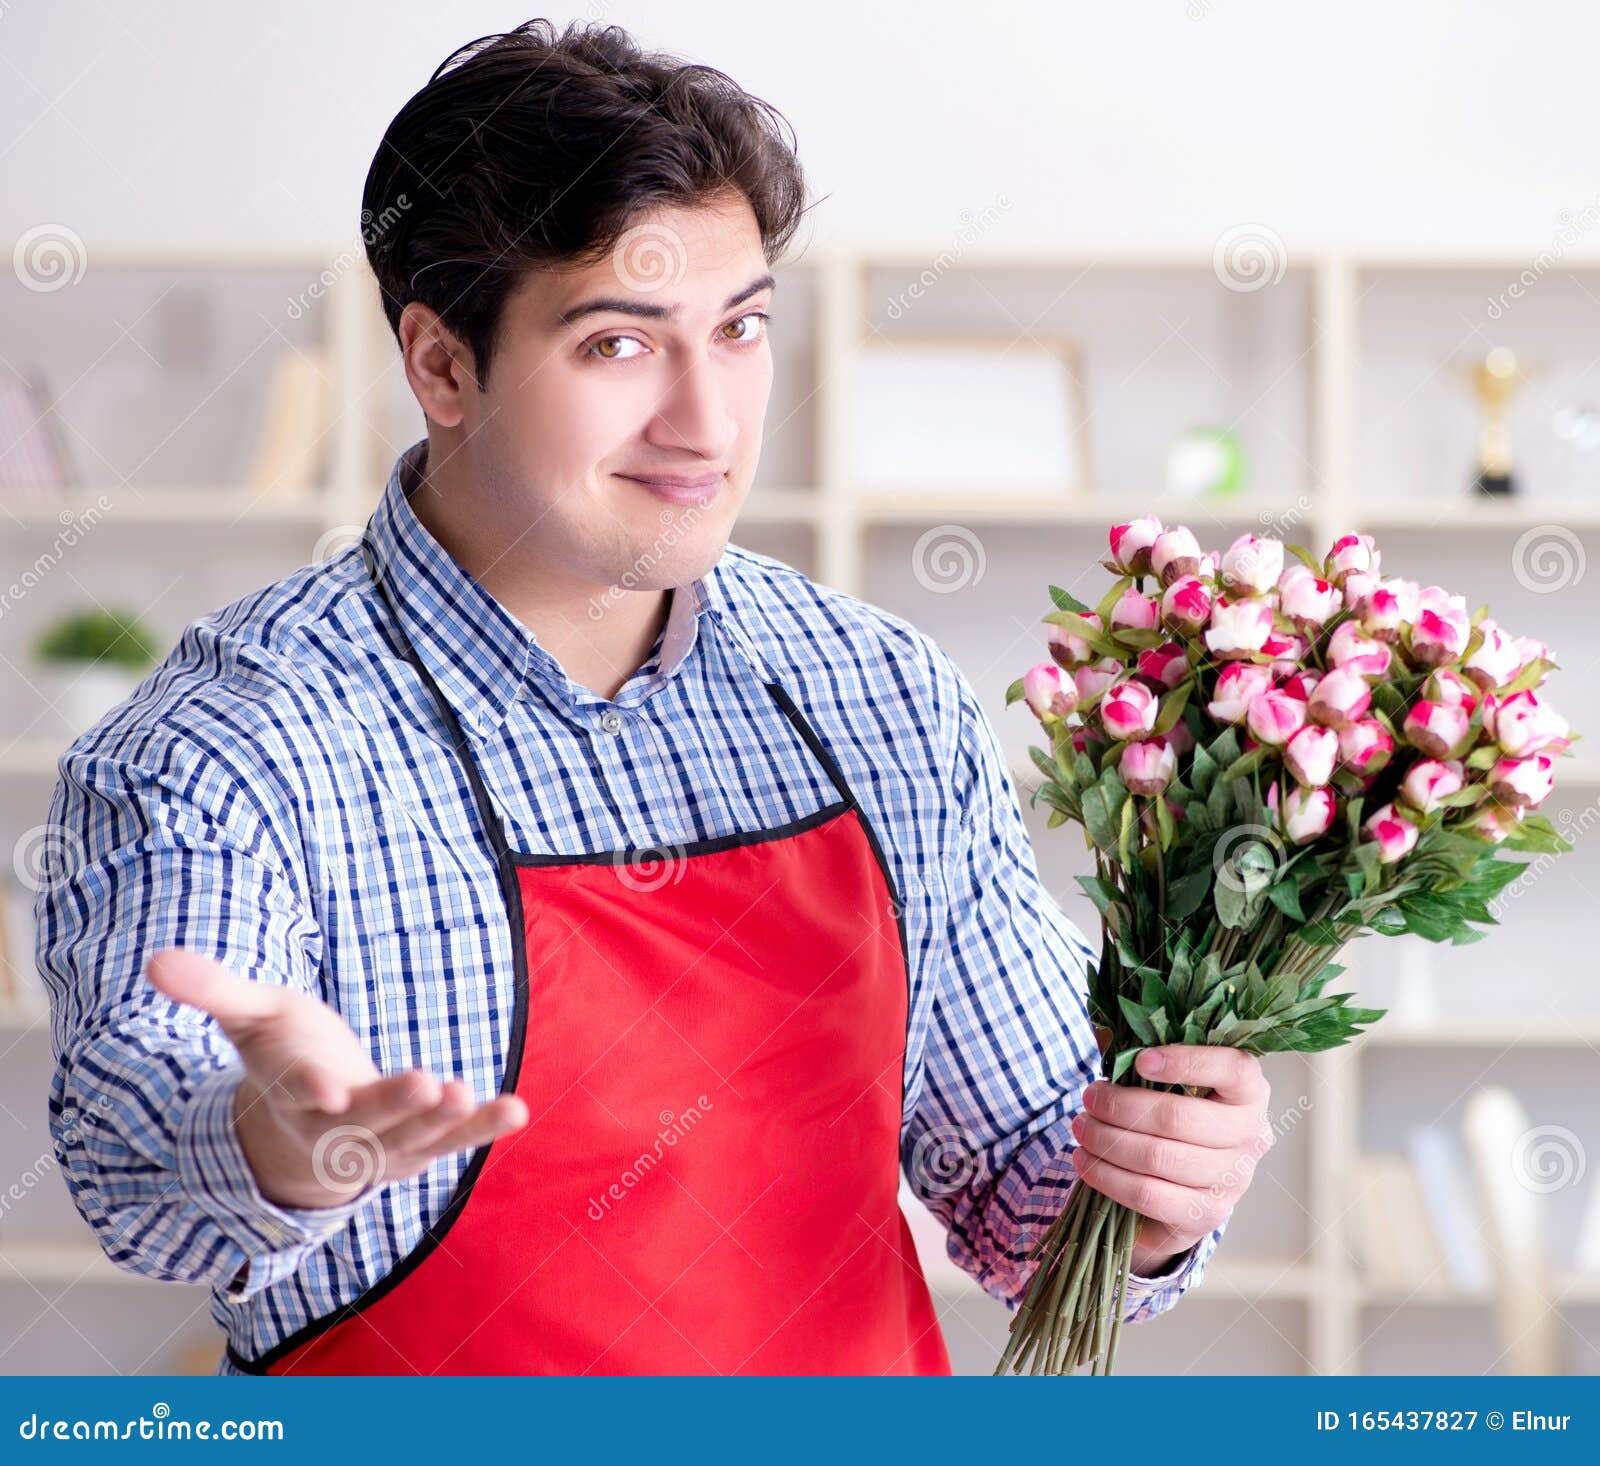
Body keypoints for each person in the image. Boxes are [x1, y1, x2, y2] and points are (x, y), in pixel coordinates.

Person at [37, 18, 1272, 1376]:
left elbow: (1021, 1196)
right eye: (621, 347)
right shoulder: (237, 743)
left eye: (738, 330)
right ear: (441, 364)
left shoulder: (877, 695)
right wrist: (272, 1137)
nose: (707, 421)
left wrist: (1150, 1192)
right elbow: (129, 1151)